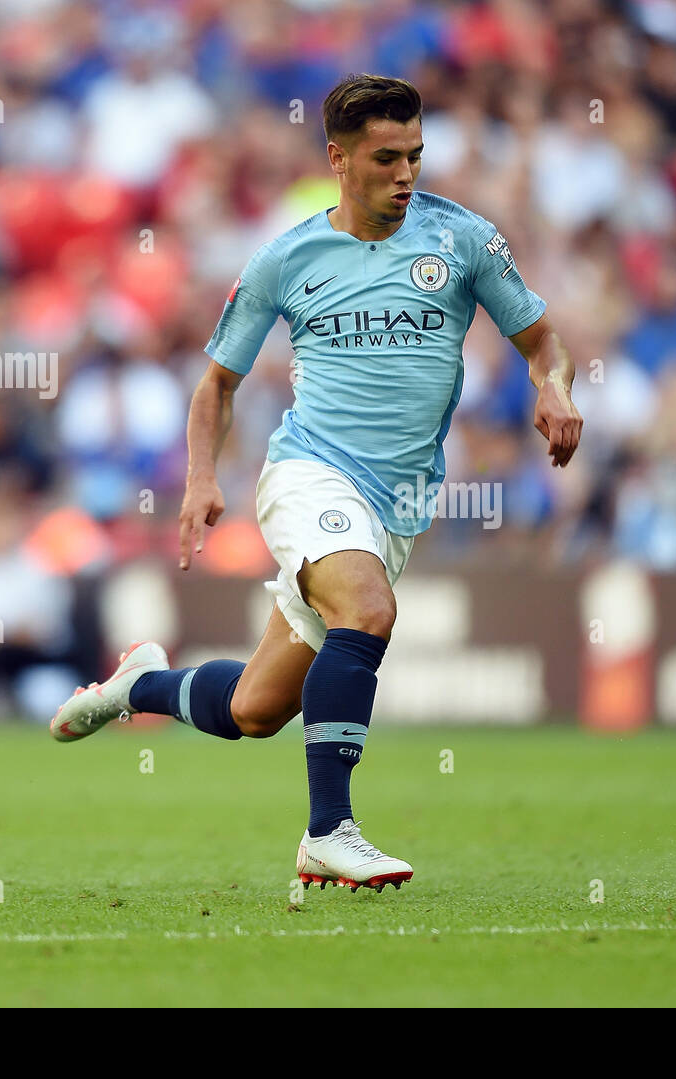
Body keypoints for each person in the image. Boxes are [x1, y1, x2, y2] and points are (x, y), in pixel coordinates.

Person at [49, 74, 583, 892]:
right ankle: (329, 832)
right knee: (367, 610)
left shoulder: (464, 240)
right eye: (385, 159)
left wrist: (555, 386)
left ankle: (136, 686)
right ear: (338, 159)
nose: (405, 176)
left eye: (414, 156)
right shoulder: (286, 257)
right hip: (309, 472)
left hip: (399, 506)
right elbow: (216, 385)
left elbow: (544, 341)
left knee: (256, 710)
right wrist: (200, 480)